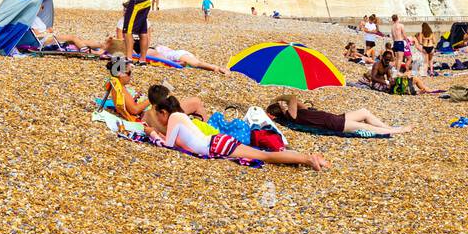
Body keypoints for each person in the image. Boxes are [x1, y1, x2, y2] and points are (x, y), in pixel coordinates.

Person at [149, 94, 329, 170]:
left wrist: (152, 134)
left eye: (159, 116)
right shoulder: (181, 116)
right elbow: (177, 141)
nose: (159, 121)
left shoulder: (173, 118)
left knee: (265, 156)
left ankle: (307, 159)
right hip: (217, 141)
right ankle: (307, 157)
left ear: (164, 112)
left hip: (215, 144)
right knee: (263, 153)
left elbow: (168, 145)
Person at [101, 57, 205, 123]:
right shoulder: (121, 89)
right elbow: (134, 110)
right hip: (155, 116)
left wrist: (135, 99)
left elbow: (128, 105)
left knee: (182, 101)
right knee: (196, 102)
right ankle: (209, 129)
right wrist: (153, 99)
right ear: (120, 74)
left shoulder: (117, 86)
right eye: (129, 73)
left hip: (153, 113)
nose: (130, 76)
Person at [266, 97, 410, 136]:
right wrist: (281, 98)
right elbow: (292, 97)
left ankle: (388, 127)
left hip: (334, 117)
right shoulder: (291, 117)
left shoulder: (295, 113)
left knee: (364, 111)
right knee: (365, 126)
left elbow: (297, 102)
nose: (284, 105)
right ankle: (396, 131)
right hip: (332, 123)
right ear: (281, 110)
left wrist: (284, 103)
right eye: (282, 106)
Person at [148, 43, 230, 74]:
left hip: (177, 56)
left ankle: (217, 68)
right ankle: (219, 68)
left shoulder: (151, 51)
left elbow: (165, 60)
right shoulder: (159, 47)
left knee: (197, 64)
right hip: (180, 53)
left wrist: (177, 64)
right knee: (198, 64)